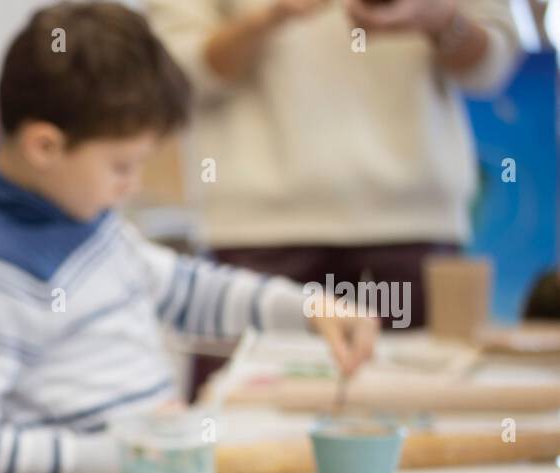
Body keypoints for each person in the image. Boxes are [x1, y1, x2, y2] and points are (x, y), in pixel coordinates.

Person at [0, 2, 378, 473]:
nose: (133, 184)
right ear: (44, 145)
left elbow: (188, 292)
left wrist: (307, 308)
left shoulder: (89, 218)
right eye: (122, 165)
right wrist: (119, 455)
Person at [146, 0, 521, 340]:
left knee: (421, 403)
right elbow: (172, 70)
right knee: (251, 402)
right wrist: (269, 18)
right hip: (257, 233)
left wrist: (441, 20)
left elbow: (494, 63)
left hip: (412, 226)